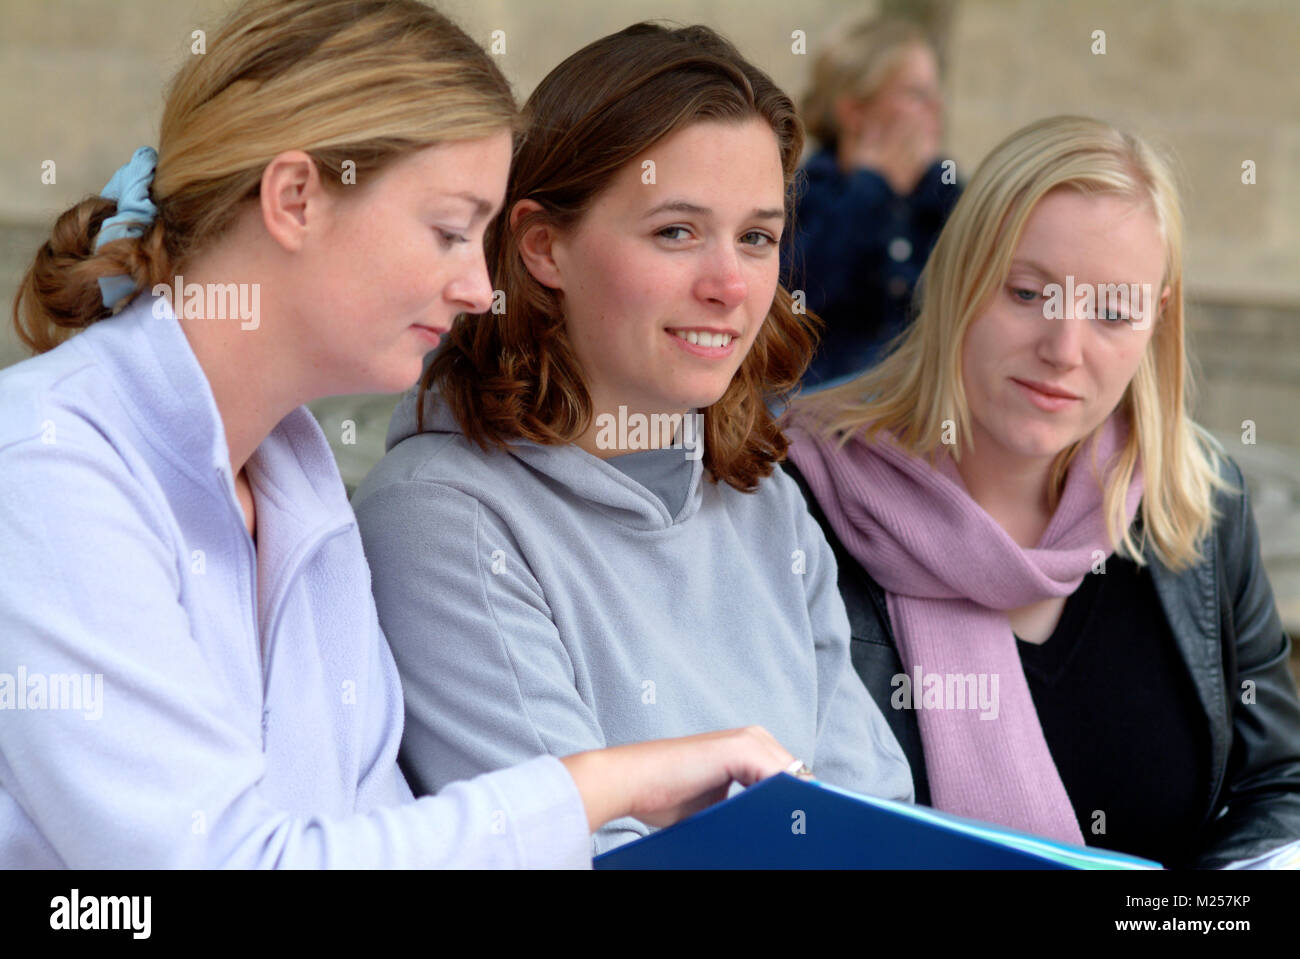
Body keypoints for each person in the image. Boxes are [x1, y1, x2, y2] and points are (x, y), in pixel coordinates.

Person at [0, 0, 806, 869]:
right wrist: (605, 785)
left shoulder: (294, 478)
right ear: (296, 199)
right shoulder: (48, 464)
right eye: (451, 231)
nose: (475, 284)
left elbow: (364, 830)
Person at [353, 22, 914, 855]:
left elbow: (871, 818)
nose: (730, 284)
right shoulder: (444, 517)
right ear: (543, 246)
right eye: (676, 231)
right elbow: (583, 848)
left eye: (756, 237)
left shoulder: (767, 504)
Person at [781, 115, 1300, 868]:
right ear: (960, 280)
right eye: (1027, 293)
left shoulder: (1198, 500)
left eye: (1113, 312)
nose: (1063, 349)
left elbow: (1275, 782)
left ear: (1157, 321)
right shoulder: (803, 497)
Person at [787, 16, 960, 386]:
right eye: (916, 93)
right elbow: (796, 297)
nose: (936, 108)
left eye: (935, 92)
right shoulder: (805, 191)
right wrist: (872, 187)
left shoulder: (943, 192)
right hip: (819, 409)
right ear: (854, 112)